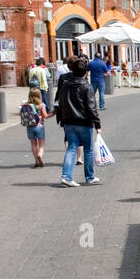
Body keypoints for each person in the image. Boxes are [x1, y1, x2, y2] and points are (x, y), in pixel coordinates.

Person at [56, 54, 102, 186]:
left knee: (71, 148)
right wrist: (97, 124)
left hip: (68, 121)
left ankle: (67, 176)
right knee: (88, 149)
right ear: (85, 73)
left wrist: (62, 118)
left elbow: (61, 102)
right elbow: (91, 107)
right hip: (84, 121)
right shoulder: (86, 87)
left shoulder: (65, 85)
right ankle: (90, 176)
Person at [22, 86, 51, 167]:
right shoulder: (41, 105)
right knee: (41, 145)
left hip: (30, 127)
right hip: (40, 127)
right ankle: (40, 155)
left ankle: (36, 161)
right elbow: (45, 116)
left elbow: (21, 114)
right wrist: (53, 113)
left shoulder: (26, 104)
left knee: (33, 144)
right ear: (39, 95)